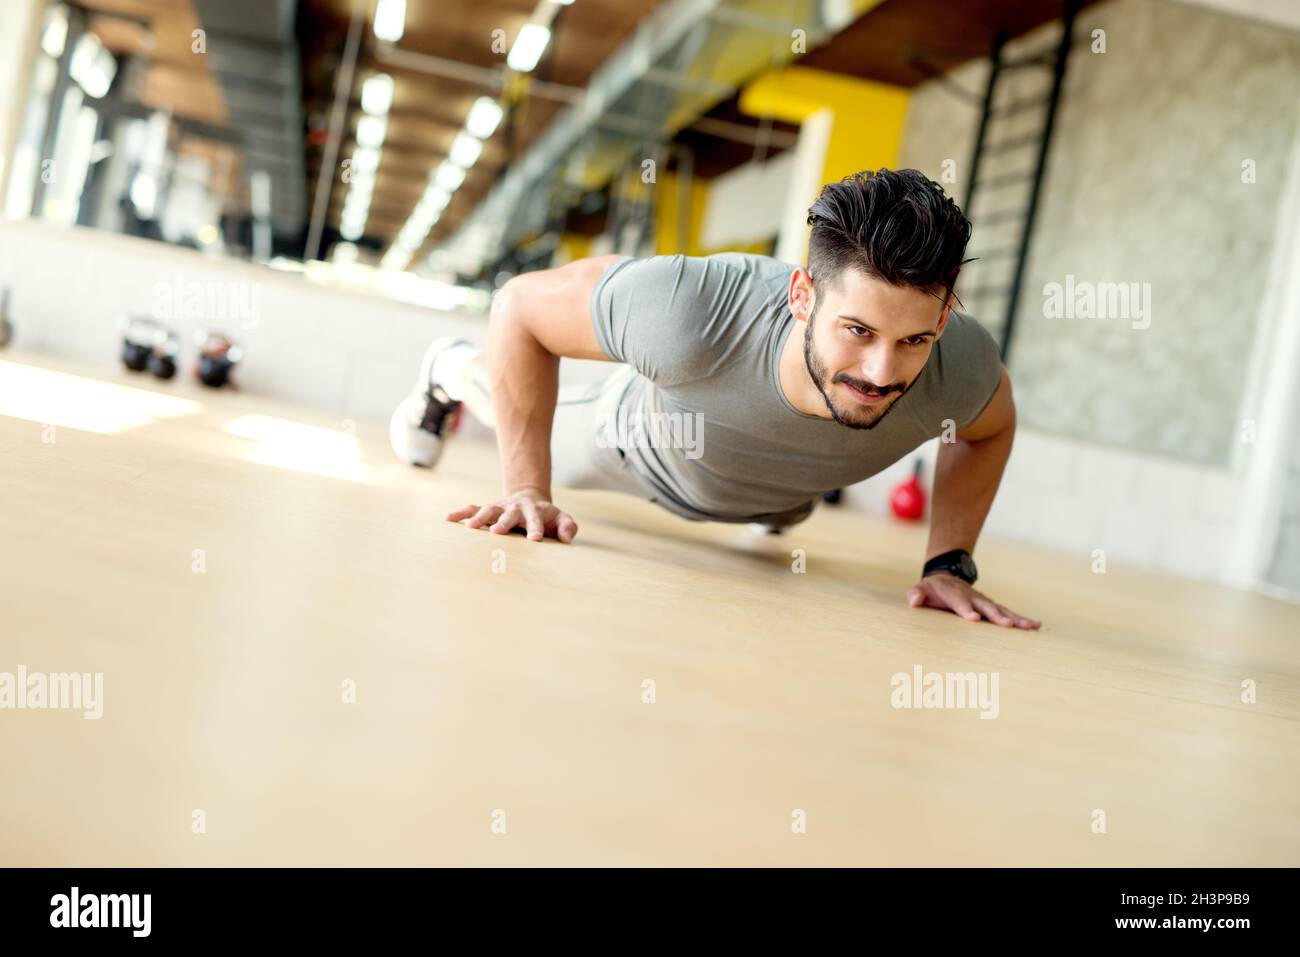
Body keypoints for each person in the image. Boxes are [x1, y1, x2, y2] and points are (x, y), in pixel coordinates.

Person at [392, 169, 1041, 629]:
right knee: (533, 433)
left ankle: (770, 506)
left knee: (784, 512)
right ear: (802, 297)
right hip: (636, 448)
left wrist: (948, 563)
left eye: (913, 340)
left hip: (777, 497)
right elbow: (519, 308)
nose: (880, 369)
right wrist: (527, 488)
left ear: (946, 314)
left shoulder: (962, 362)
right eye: (858, 331)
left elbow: (990, 429)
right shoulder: (685, 310)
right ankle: (450, 366)